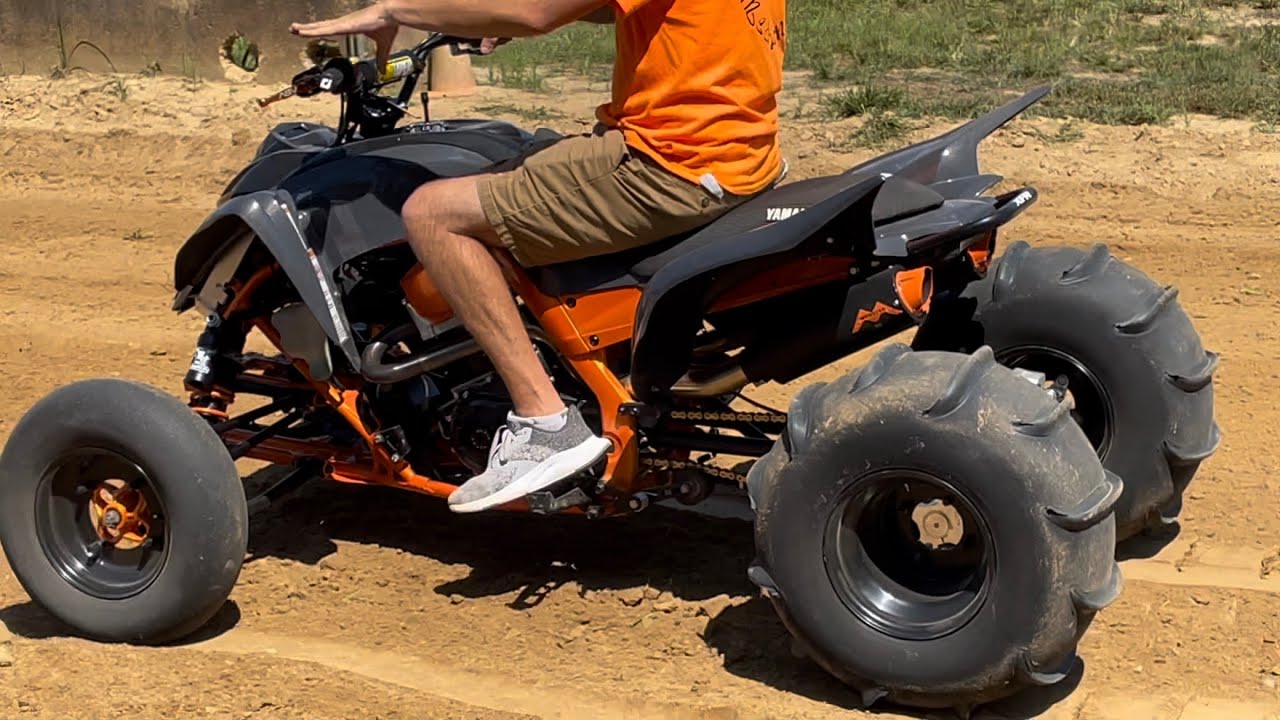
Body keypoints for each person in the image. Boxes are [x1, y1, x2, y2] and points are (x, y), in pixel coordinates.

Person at [290, 0, 787, 513]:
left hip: (665, 162)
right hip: (736, 151)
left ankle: (543, 421)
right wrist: (486, 17)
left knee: (433, 214)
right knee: (521, 164)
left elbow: (531, 10)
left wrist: (397, 11)